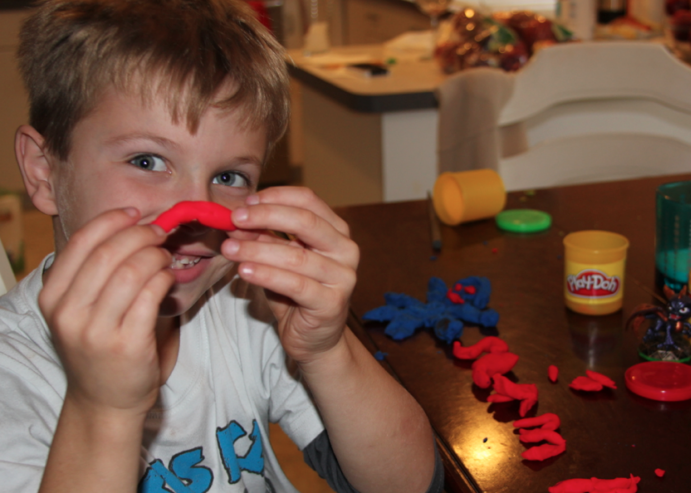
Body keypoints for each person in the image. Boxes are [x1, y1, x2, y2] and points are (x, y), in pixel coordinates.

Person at [0, 1, 443, 491]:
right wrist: (103, 407)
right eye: (147, 161)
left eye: (228, 176)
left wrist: (326, 350)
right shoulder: (12, 376)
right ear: (44, 172)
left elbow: (410, 483)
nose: (195, 210)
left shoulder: (244, 306)